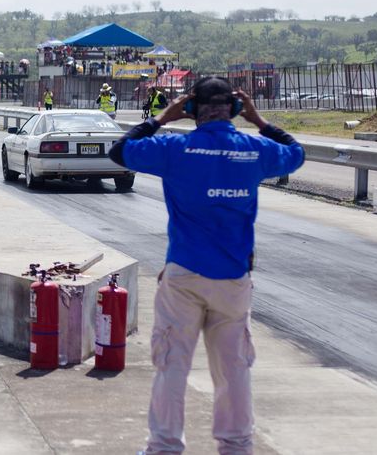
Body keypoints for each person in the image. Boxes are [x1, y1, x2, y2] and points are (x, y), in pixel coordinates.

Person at [109, 77, 305, 455]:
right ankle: (236, 446)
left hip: (184, 274)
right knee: (233, 370)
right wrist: (259, 121)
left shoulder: (175, 147)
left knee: (172, 364)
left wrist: (161, 119)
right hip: (233, 280)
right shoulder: (255, 149)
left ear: (191, 110)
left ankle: (164, 446)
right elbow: (295, 152)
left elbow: (121, 150)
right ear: (233, 110)